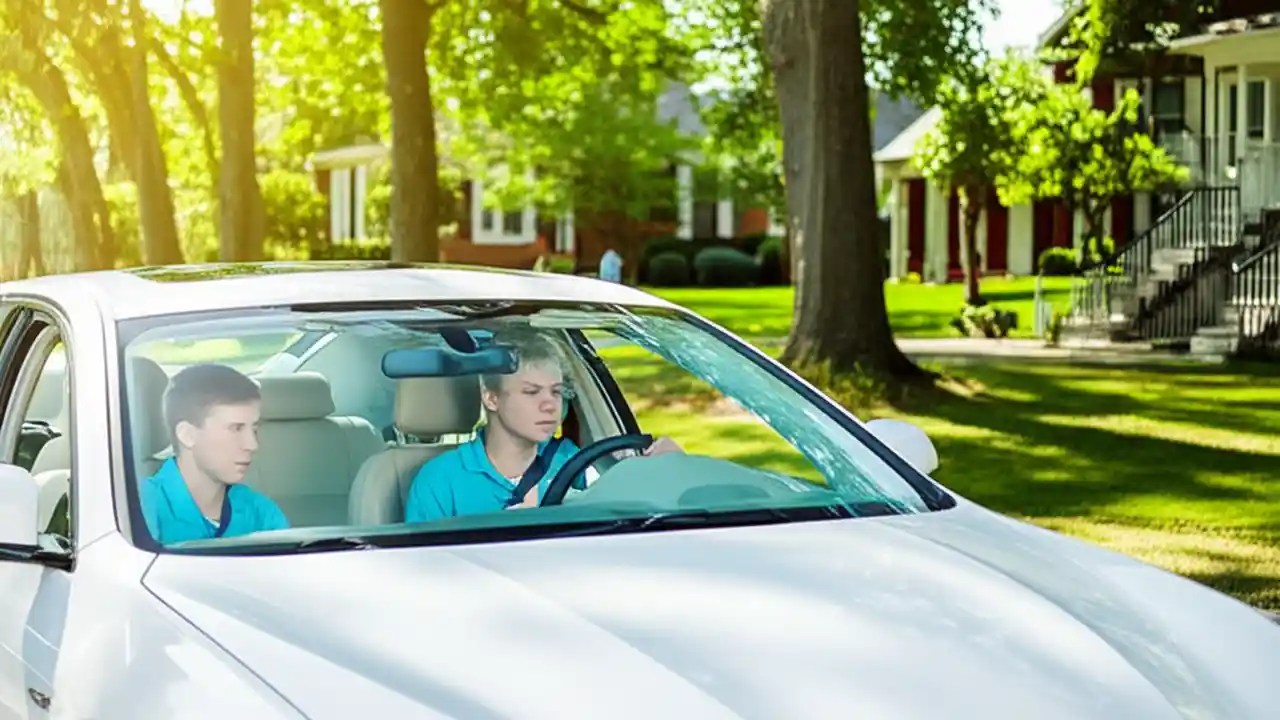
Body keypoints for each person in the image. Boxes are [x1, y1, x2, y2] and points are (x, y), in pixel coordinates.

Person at [404, 328, 679, 522]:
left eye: (556, 392)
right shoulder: (439, 481)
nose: (550, 405)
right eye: (532, 392)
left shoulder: (575, 462)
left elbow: (626, 519)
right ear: (491, 397)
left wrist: (665, 471)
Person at [140, 364, 289, 544]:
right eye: (236, 428)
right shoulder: (139, 510)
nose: (253, 445)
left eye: (254, 429)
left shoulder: (261, 513)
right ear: (187, 435)